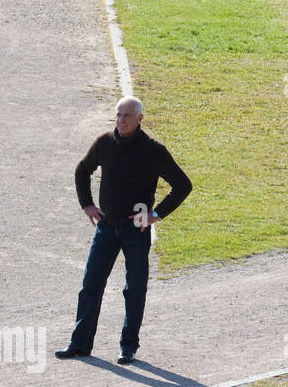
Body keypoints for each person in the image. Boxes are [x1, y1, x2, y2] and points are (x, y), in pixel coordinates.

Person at [57, 95, 192, 364]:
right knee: (91, 286)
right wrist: (87, 204)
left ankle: (128, 347)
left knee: (134, 289)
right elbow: (82, 170)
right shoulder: (104, 143)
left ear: (140, 119)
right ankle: (79, 344)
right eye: (118, 115)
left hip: (136, 232)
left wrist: (155, 215)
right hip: (106, 228)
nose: (121, 121)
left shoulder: (153, 150)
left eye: (126, 116)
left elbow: (182, 185)